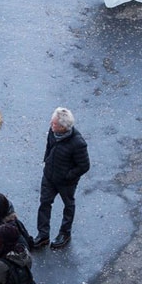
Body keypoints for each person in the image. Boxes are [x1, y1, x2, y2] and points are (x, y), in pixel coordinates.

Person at [33, 106, 90, 249]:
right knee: (44, 203)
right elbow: (49, 147)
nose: (51, 125)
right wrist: (47, 160)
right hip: (49, 176)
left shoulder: (78, 143)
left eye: (54, 124)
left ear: (64, 127)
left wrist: (68, 176)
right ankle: (43, 235)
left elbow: (84, 166)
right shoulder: (53, 132)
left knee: (68, 205)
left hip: (66, 182)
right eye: (52, 122)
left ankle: (65, 233)